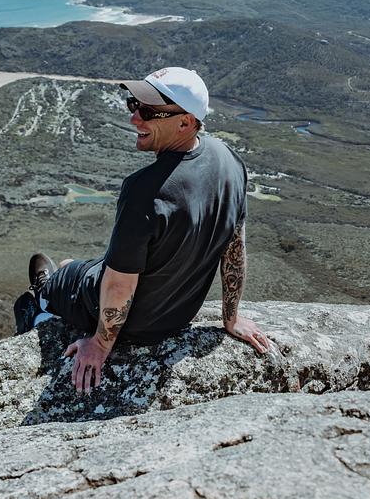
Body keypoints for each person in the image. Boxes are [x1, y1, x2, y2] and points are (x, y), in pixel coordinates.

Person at [14, 66, 271, 395]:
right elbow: (234, 246)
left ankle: (39, 306)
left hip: (132, 324)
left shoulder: (144, 191)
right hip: (176, 316)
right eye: (133, 104)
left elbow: (120, 286)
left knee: (64, 279)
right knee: (79, 264)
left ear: (185, 122)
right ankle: (66, 272)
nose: (134, 118)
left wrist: (100, 345)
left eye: (148, 111)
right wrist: (230, 319)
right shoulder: (229, 161)